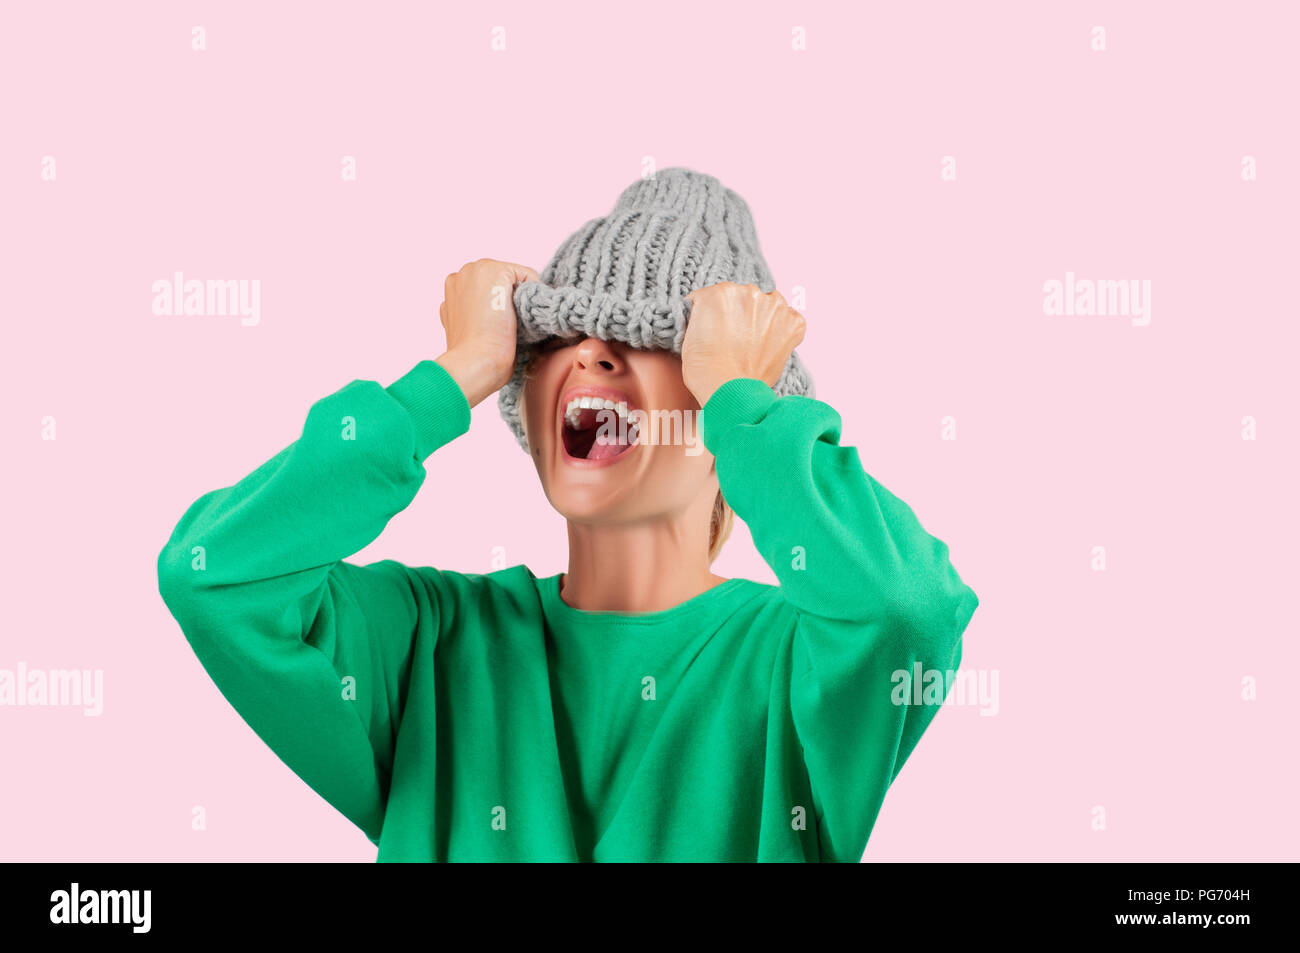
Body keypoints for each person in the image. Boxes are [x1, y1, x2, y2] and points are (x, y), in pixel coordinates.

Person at [156, 168, 979, 862]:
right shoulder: (428, 646)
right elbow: (214, 576)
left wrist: (746, 411)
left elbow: (908, 610)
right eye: (562, 333)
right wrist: (450, 376)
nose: (592, 350)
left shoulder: (798, 664)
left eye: (660, 340)